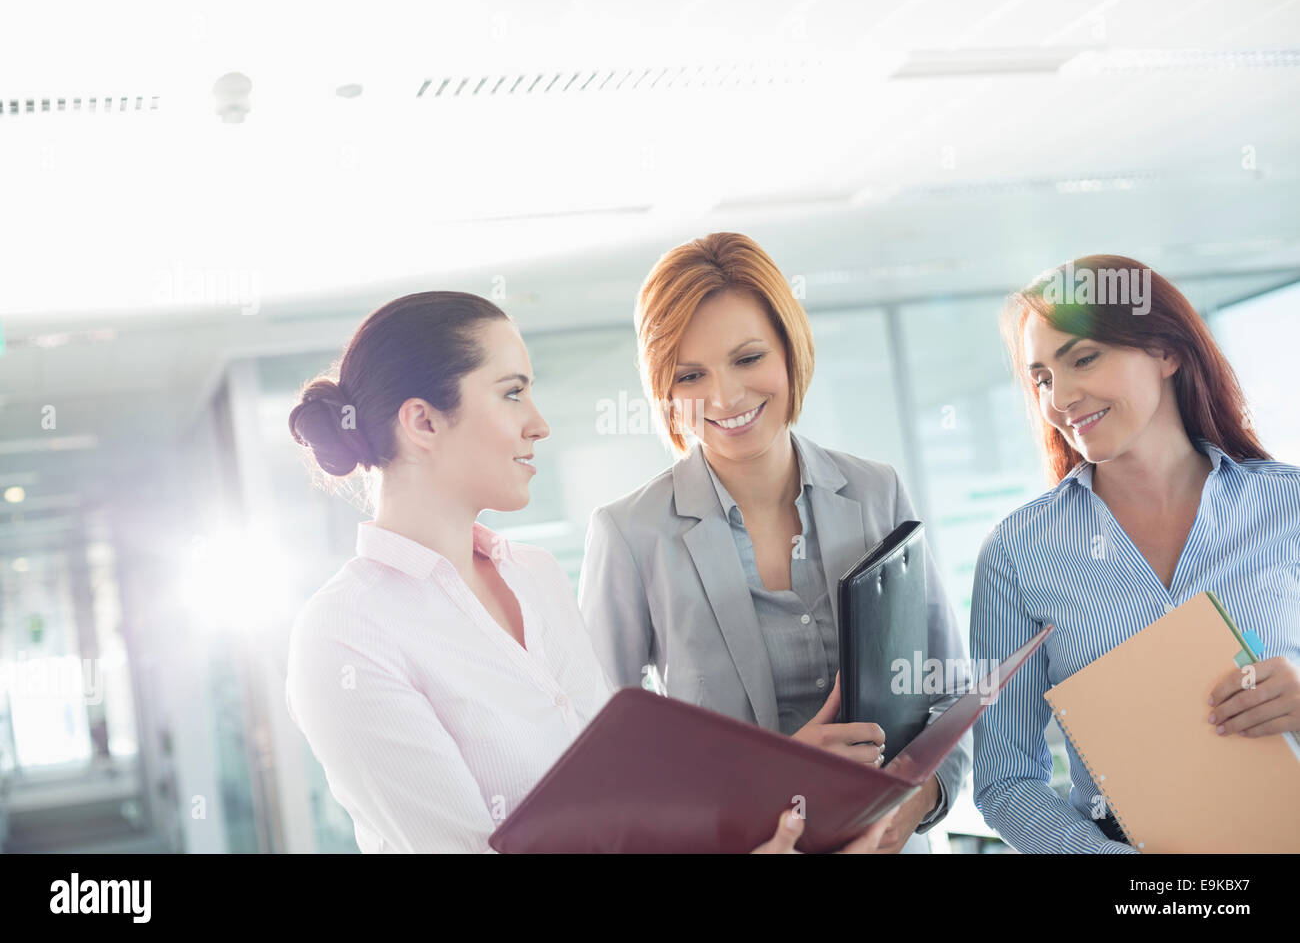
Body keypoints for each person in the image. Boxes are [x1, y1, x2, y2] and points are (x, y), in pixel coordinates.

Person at [284, 290, 899, 853]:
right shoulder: (346, 634)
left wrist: (783, 784)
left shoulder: (534, 575)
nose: (538, 423)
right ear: (423, 422)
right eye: (511, 392)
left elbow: (633, 805)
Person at [578, 233, 970, 853]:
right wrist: (781, 775)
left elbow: (948, 684)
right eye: (690, 374)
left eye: (748, 358)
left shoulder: (875, 491)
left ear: (790, 349)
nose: (727, 397)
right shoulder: (631, 534)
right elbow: (606, 764)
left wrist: (917, 801)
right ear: (663, 389)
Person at [970, 255, 1300, 854]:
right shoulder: (1018, 554)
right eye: (1041, 377)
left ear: (1167, 352)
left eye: (1084, 358)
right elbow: (1005, 778)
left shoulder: (1290, 507)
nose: (1060, 397)